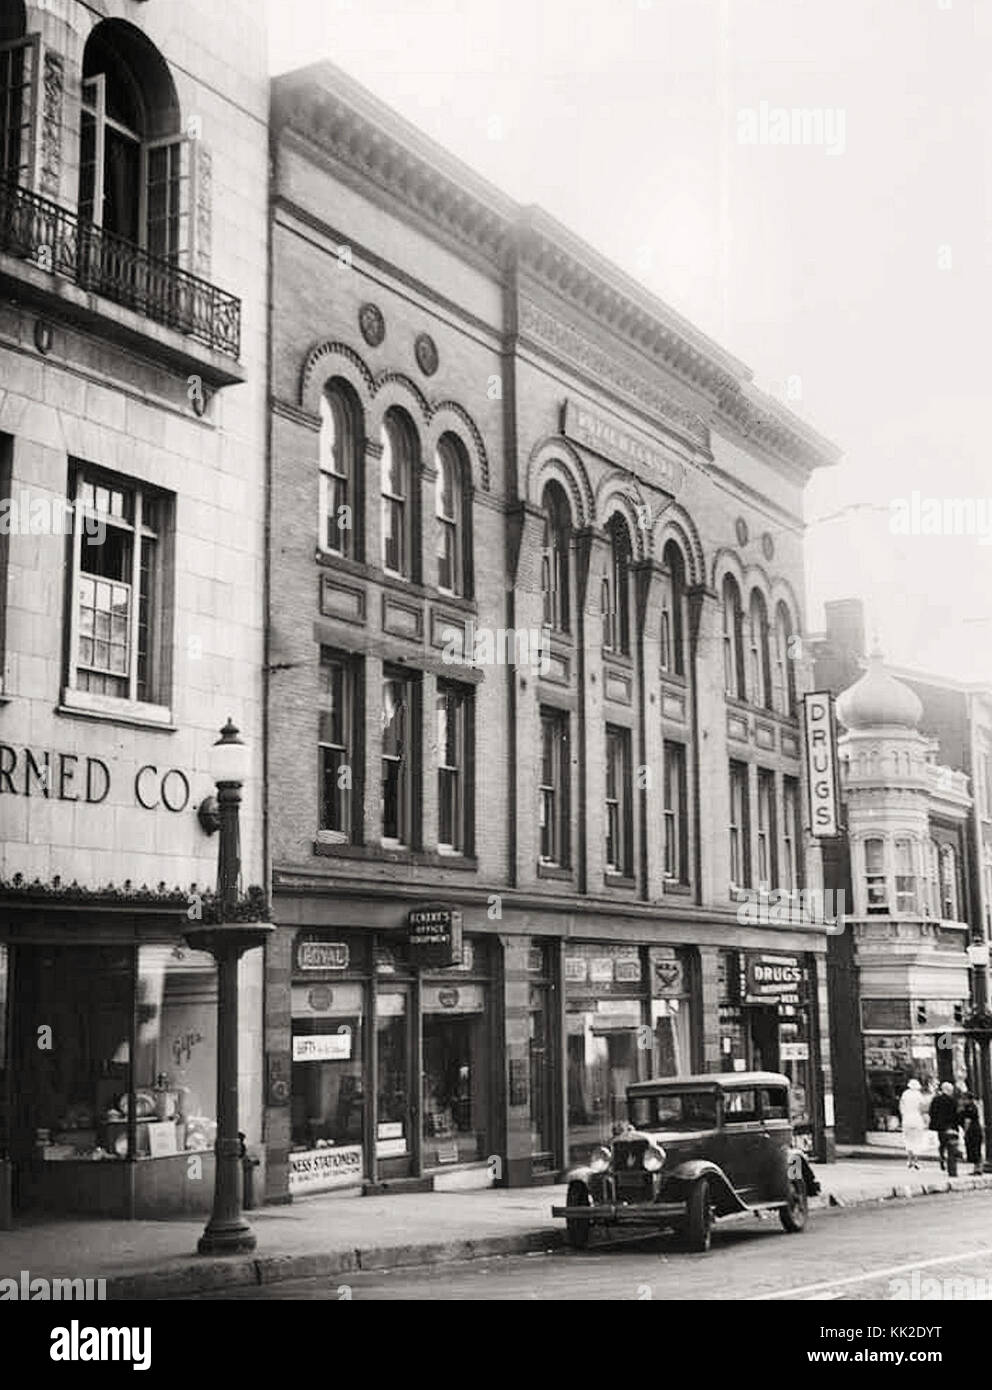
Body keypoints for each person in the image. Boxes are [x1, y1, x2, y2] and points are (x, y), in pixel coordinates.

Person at [928, 1081, 960, 1170]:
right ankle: (951, 1161)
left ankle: (942, 1157)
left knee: (942, 1143)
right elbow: (956, 1114)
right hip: (950, 1125)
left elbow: (931, 1112)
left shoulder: (936, 1099)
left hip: (940, 1126)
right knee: (951, 1144)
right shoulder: (953, 1101)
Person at [957, 1084, 984, 1175]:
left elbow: (967, 1121)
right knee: (974, 1149)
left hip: (973, 1130)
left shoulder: (970, 1108)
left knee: (975, 1149)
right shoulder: (970, 1107)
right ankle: (977, 1168)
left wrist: (965, 1131)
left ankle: (978, 1168)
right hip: (975, 1129)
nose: (963, 1101)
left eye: (964, 1099)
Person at [898, 1078, 925, 1169]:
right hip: (917, 1119)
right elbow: (921, 1108)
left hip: (906, 1119)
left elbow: (901, 1107)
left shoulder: (905, 1094)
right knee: (917, 1140)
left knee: (908, 1140)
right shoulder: (919, 1095)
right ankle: (916, 1161)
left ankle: (909, 1160)